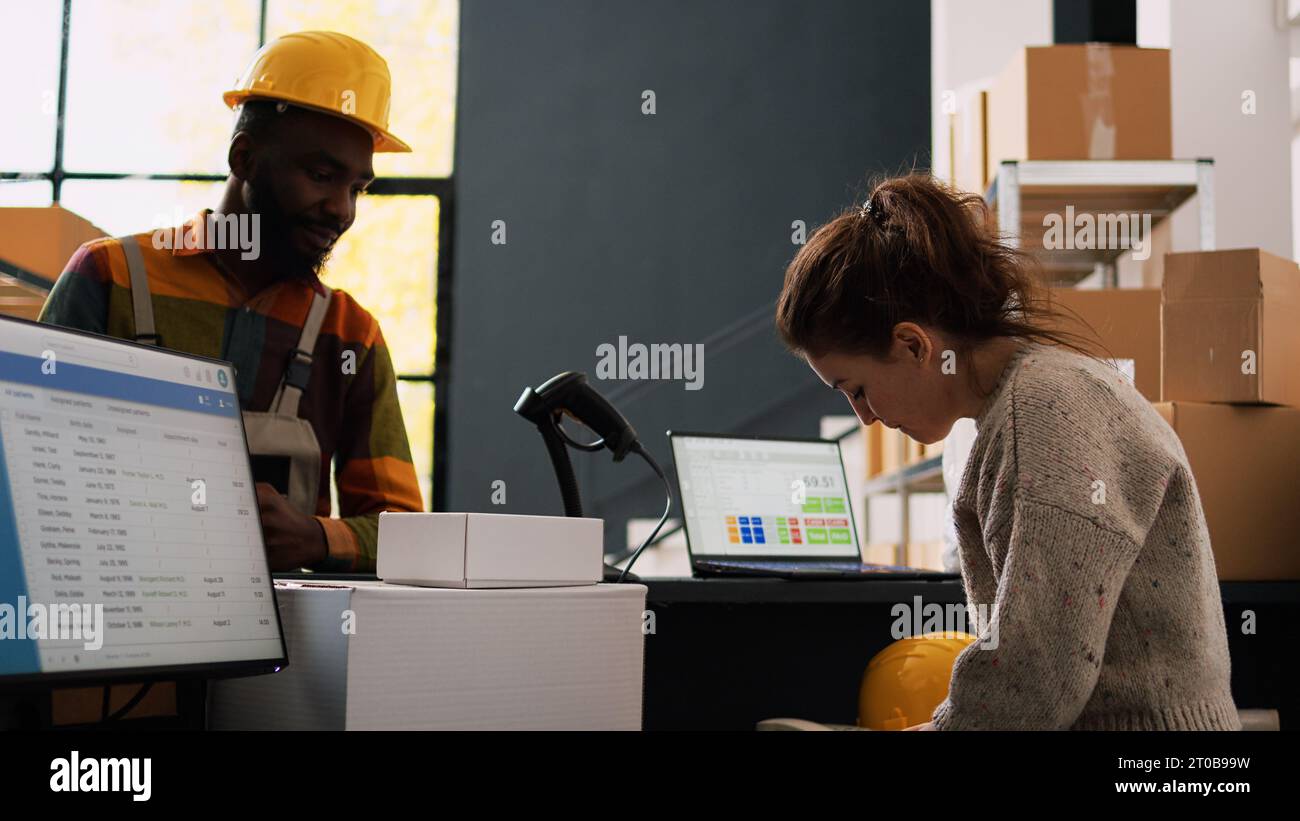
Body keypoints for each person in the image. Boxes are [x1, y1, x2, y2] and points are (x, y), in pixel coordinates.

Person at [775, 173, 1241, 730]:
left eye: (856, 390)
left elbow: (1033, 681)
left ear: (912, 344)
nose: (866, 417)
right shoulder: (1038, 395)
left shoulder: (1043, 412)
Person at [39, 31, 423, 573]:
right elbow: (28, 471)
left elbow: (405, 532)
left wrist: (314, 538)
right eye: (320, 176)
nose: (341, 210)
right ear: (244, 157)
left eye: (358, 187)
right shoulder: (111, 278)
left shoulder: (350, 335)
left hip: (290, 650)